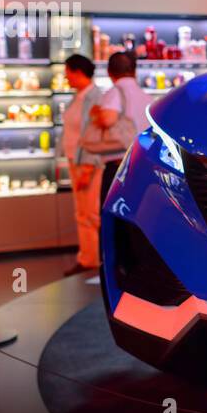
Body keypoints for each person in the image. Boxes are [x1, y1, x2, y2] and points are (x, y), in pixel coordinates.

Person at [93, 51, 151, 208]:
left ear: (109, 72)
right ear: (134, 71)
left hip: (119, 167)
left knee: (115, 220)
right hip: (142, 165)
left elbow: (108, 119)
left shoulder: (115, 93)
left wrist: (96, 116)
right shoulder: (147, 97)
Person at [62, 54, 103, 275]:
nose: (65, 77)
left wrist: (87, 167)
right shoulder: (79, 97)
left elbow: (95, 134)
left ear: (78, 72)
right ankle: (89, 257)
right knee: (83, 212)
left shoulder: (94, 97)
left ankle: (95, 260)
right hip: (75, 161)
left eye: (67, 72)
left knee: (90, 213)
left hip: (87, 164)